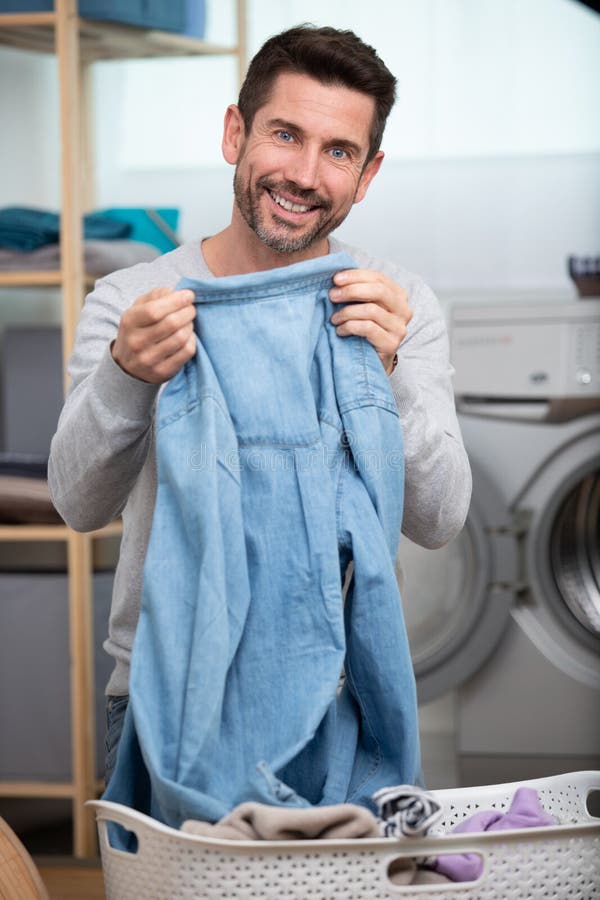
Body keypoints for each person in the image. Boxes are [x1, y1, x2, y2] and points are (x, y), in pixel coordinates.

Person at [48, 25, 472, 785]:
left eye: (338, 151)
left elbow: (439, 520)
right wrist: (126, 373)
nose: (304, 174)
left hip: (344, 700)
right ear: (234, 134)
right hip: (163, 693)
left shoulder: (393, 305)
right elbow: (77, 505)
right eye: (285, 134)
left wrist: (388, 373)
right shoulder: (134, 300)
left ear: (367, 175)